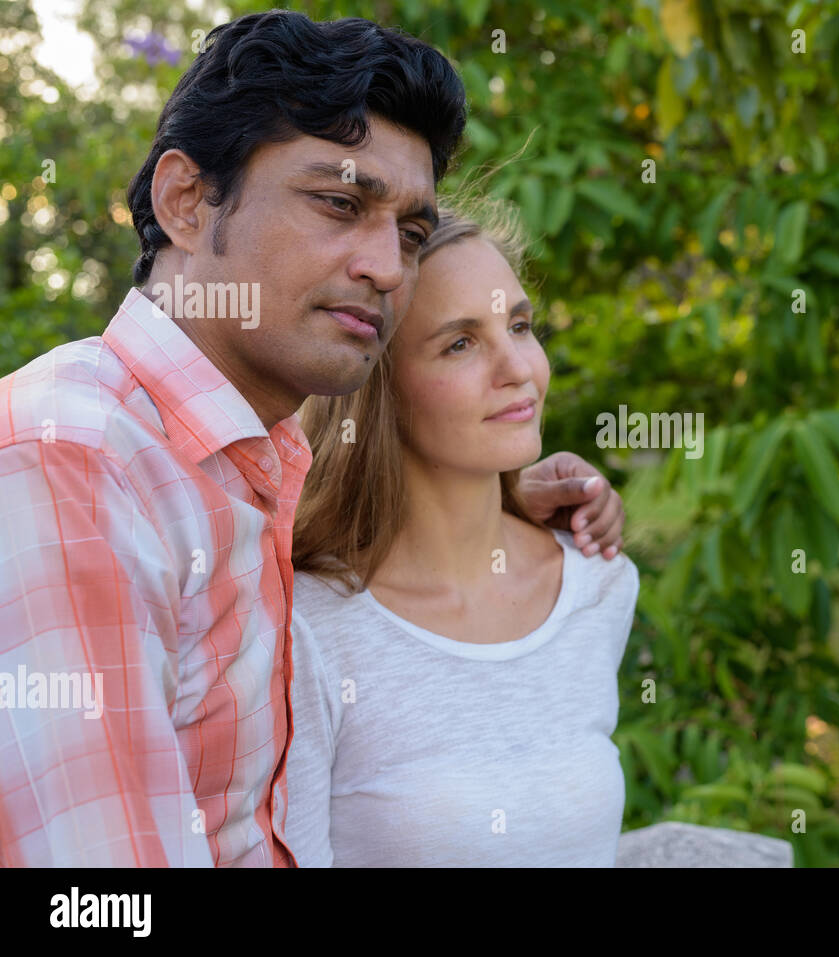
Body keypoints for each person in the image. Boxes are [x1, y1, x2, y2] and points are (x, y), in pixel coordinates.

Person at [0, 11, 623, 867]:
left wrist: (514, 495)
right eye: (339, 202)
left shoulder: (251, 463)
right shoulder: (75, 459)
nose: (387, 268)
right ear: (186, 201)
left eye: (408, 231)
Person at [284, 201, 637, 866]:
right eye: (460, 342)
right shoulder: (308, 626)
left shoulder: (598, 582)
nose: (519, 368)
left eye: (520, 325)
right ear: (376, 384)